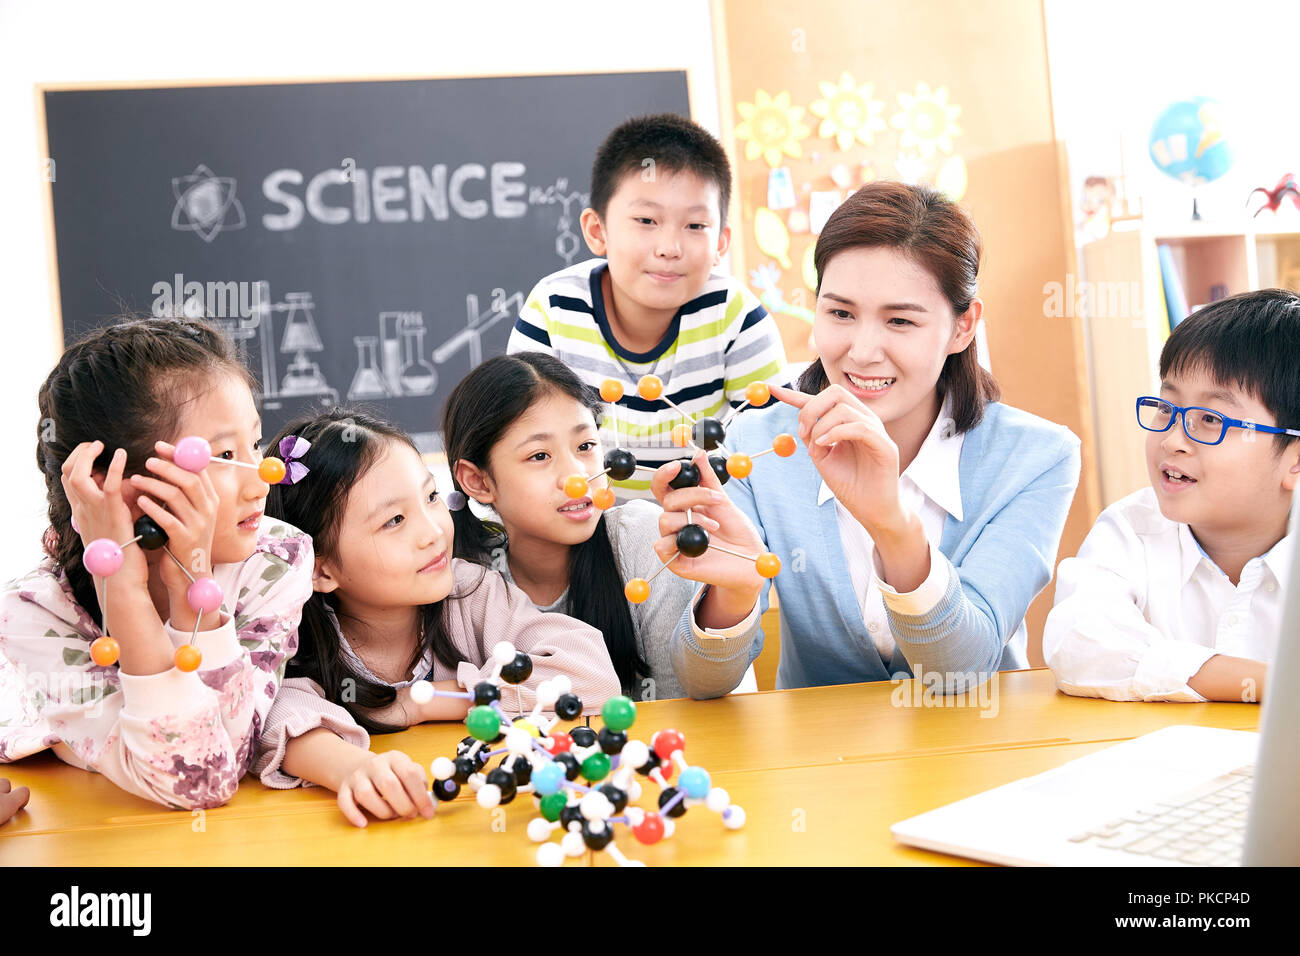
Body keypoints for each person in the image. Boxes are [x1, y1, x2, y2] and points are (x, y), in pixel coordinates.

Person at [653, 181, 1082, 694]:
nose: (861, 352)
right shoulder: (759, 443)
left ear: (963, 327)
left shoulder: (1037, 458)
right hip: (821, 762)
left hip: (982, 751)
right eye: (839, 313)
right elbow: (700, 685)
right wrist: (735, 593)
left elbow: (961, 669)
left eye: (900, 320)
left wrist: (890, 524)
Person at [0, 316, 314, 810]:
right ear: (120, 488)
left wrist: (195, 587)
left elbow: (225, 760)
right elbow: (195, 782)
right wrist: (121, 585)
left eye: (255, 444)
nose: (260, 481)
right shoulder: (33, 615)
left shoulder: (276, 558)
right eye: (226, 453)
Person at [260, 409, 620, 826]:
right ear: (320, 569)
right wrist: (348, 767)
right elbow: (273, 712)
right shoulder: (289, 629)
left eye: (431, 498)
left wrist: (421, 703)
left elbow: (589, 673)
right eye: (394, 520)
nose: (432, 531)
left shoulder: (469, 592)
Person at [443, 351, 763, 701]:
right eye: (539, 456)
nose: (578, 475)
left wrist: (738, 594)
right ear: (477, 481)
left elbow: (696, 691)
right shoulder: (461, 579)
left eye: (585, 446)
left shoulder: (642, 538)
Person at [507, 113, 789, 501]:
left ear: (721, 243)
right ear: (596, 230)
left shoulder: (735, 316)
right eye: (646, 220)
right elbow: (524, 445)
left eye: (695, 226)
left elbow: (773, 453)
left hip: (702, 527)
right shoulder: (553, 310)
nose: (669, 247)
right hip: (583, 528)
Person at [1045, 290, 1300, 702]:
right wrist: (1274, 684)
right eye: (1166, 408)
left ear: (1294, 460)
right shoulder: (1131, 530)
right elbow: (1078, 643)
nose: (1173, 439)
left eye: (1211, 419)